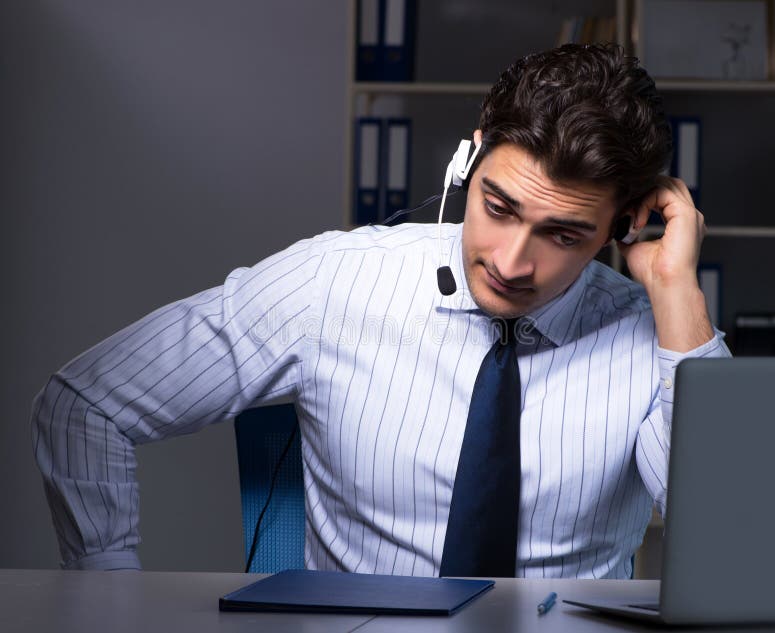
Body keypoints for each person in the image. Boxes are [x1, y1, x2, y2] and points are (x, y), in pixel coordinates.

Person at [32, 43, 729, 578]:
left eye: (564, 234)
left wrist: (676, 291)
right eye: (498, 207)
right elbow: (85, 403)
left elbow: (729, 547)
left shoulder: (657, 334)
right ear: (469, 159)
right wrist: (109, 592)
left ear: (622, 226)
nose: (513, 262)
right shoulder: (331, 283)